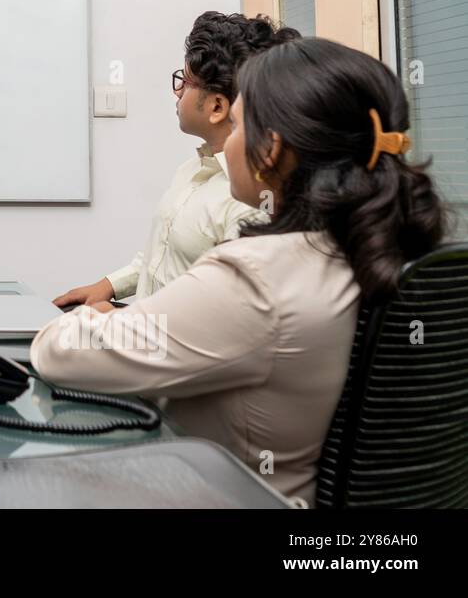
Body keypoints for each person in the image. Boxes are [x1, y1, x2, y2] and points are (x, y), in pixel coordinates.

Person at [33, 37, 448, 504]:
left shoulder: (259, 277)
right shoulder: (370, 250)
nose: (227, 142)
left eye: (235, 126)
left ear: (269, 149)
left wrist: (105, 321)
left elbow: (59, 352)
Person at [55, 12, 299, 308]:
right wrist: (109, 286)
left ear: (217, 106)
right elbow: (164, 256)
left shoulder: (251, 200)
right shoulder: (192, 170)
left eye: (185, 82)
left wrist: (118, 324)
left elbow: (220, 315)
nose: (177, 91)